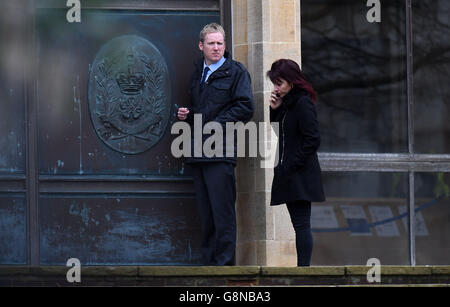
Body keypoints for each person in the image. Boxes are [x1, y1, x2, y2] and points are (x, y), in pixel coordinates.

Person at [177, 23, 254, 265]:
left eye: (220, 43)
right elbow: (204, 110)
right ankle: (209, 266)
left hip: (221, 152)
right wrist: (188, 116)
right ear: (201, 46)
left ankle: (224, 268)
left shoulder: (237, 72)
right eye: (211, 43)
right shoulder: (199, 72)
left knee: (223, 214)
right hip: (198, 151)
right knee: (206, 214)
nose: (217, 48)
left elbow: (245, 107)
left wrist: (216, 124)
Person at [267, 59, 325, 266]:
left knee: (301, 224)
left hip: (300, 173)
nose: (276, 88)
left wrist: (291, 165)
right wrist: (275, 110)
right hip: (290, 173)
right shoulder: (287, 104)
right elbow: (277, 135)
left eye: (279, 83)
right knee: (299, 224)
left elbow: (313, 139)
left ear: (292, 82)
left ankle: (304, 271)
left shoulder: (302, 103)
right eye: (274, 83)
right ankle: (303, 270)